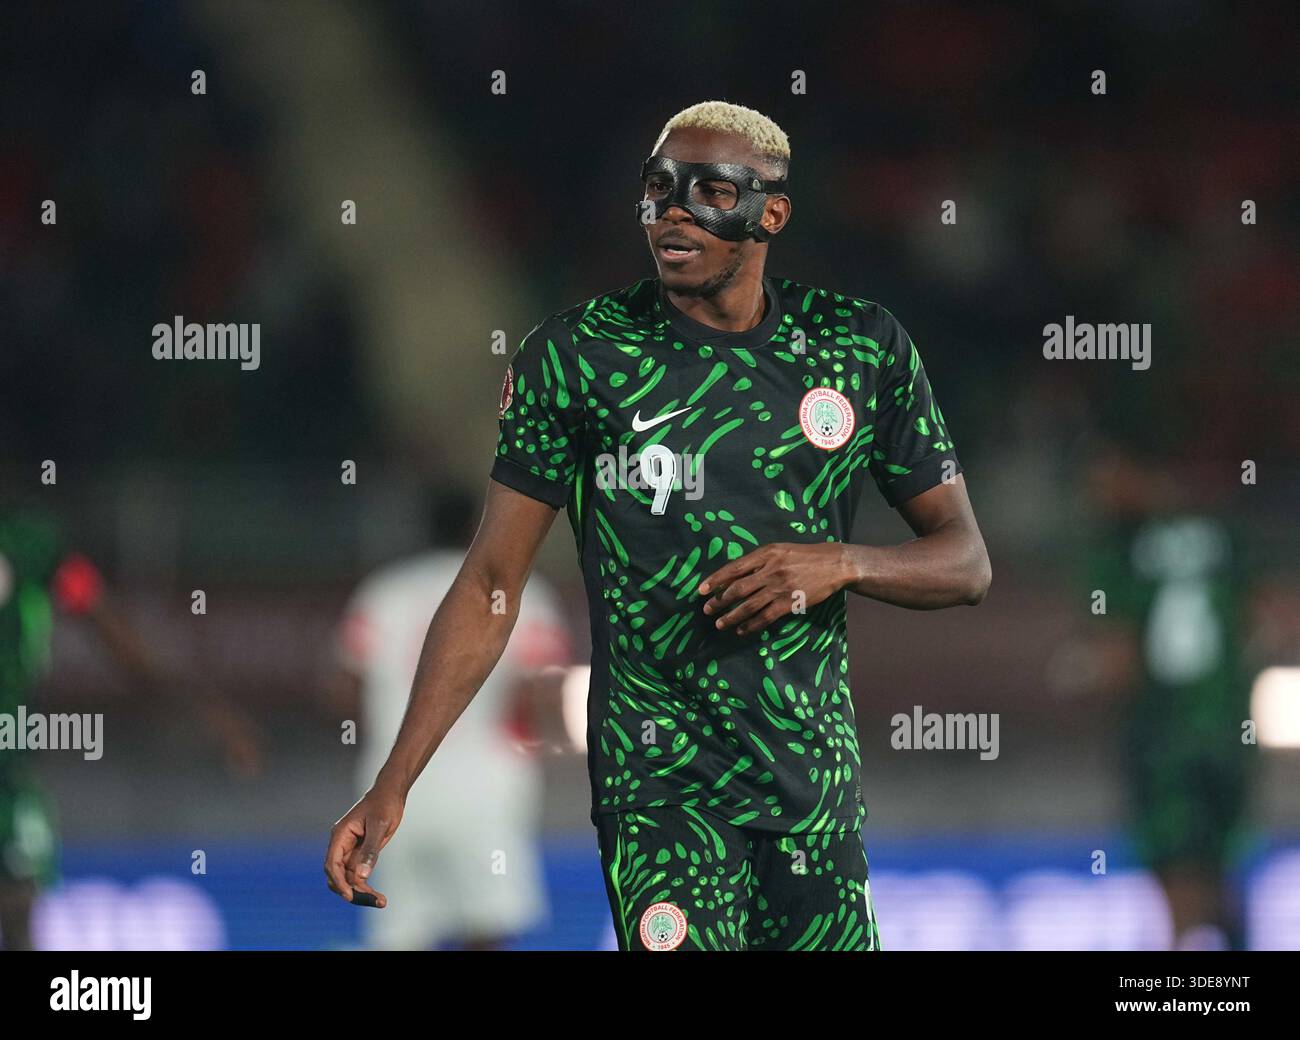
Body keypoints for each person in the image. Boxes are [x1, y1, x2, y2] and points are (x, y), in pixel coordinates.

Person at [325, 101, 990, 951]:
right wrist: (393, 782)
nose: (673, 211)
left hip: (813, 793)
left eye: (708, 191)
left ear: (770, 212)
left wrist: (840, 564)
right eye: (658, 190)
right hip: (660, 794)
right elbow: (493, 583)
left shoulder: (860, 347)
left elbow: (965, 563)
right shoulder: (577, 356)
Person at [0, 508, 260, 951]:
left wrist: (206, 709)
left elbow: (120, 639)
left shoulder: (33, 549)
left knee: (21, 910)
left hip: (8, 780)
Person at [328, 491, 570, 950]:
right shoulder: (522, 591)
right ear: (477, 528)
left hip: (393, 787)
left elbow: (343, 688)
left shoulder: (385, 590)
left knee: (399, 928)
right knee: (486, 927)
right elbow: (540, 691)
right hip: (485, 782)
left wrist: (386, 716)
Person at [1082, 444, 1256, 949]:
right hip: (1228, 726)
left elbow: (1117, 661)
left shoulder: (1120, 547)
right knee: (1218, 864)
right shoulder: (1221, 529)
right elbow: (1261, 617)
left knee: (1174, 863)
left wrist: (1083, 674)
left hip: (1163, 733)